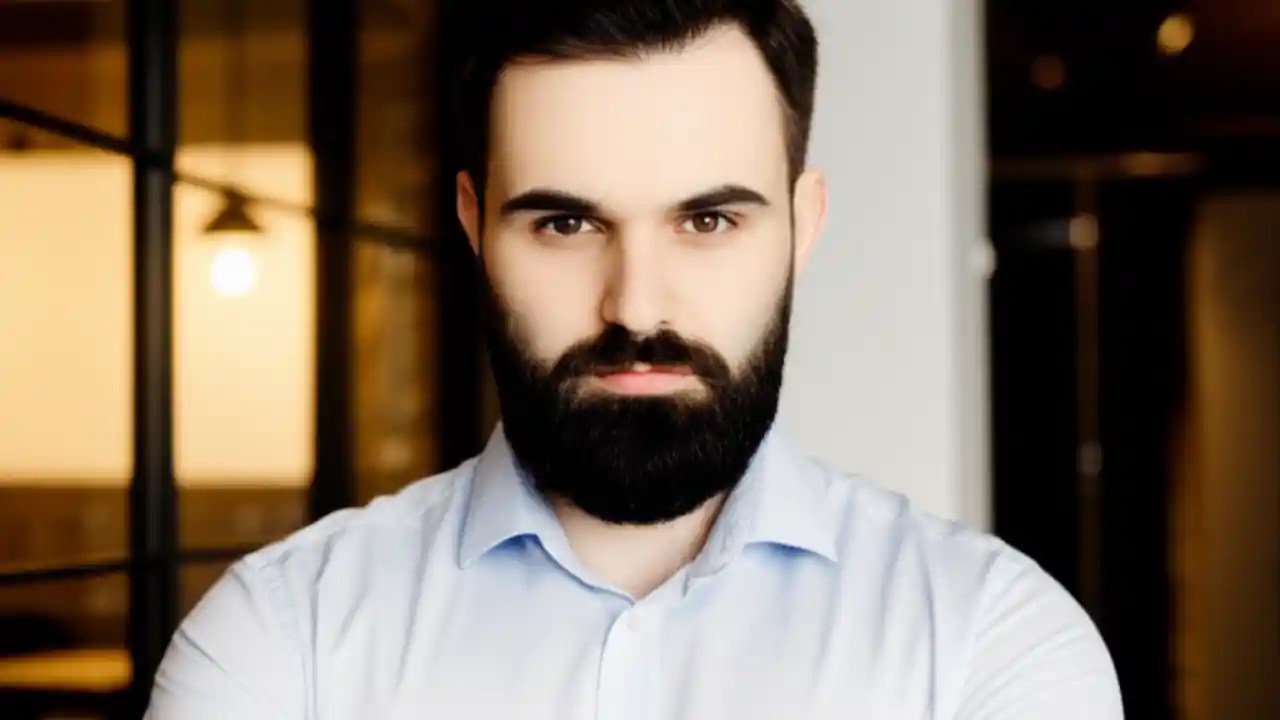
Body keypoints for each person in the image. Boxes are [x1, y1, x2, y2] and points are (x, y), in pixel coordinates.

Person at [146, 1, 1123, 718]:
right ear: (473, 225)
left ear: (801, 225)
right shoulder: (281, 641)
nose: (637, 304)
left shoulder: (990, 646)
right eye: (565, 222)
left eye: (707, 220)